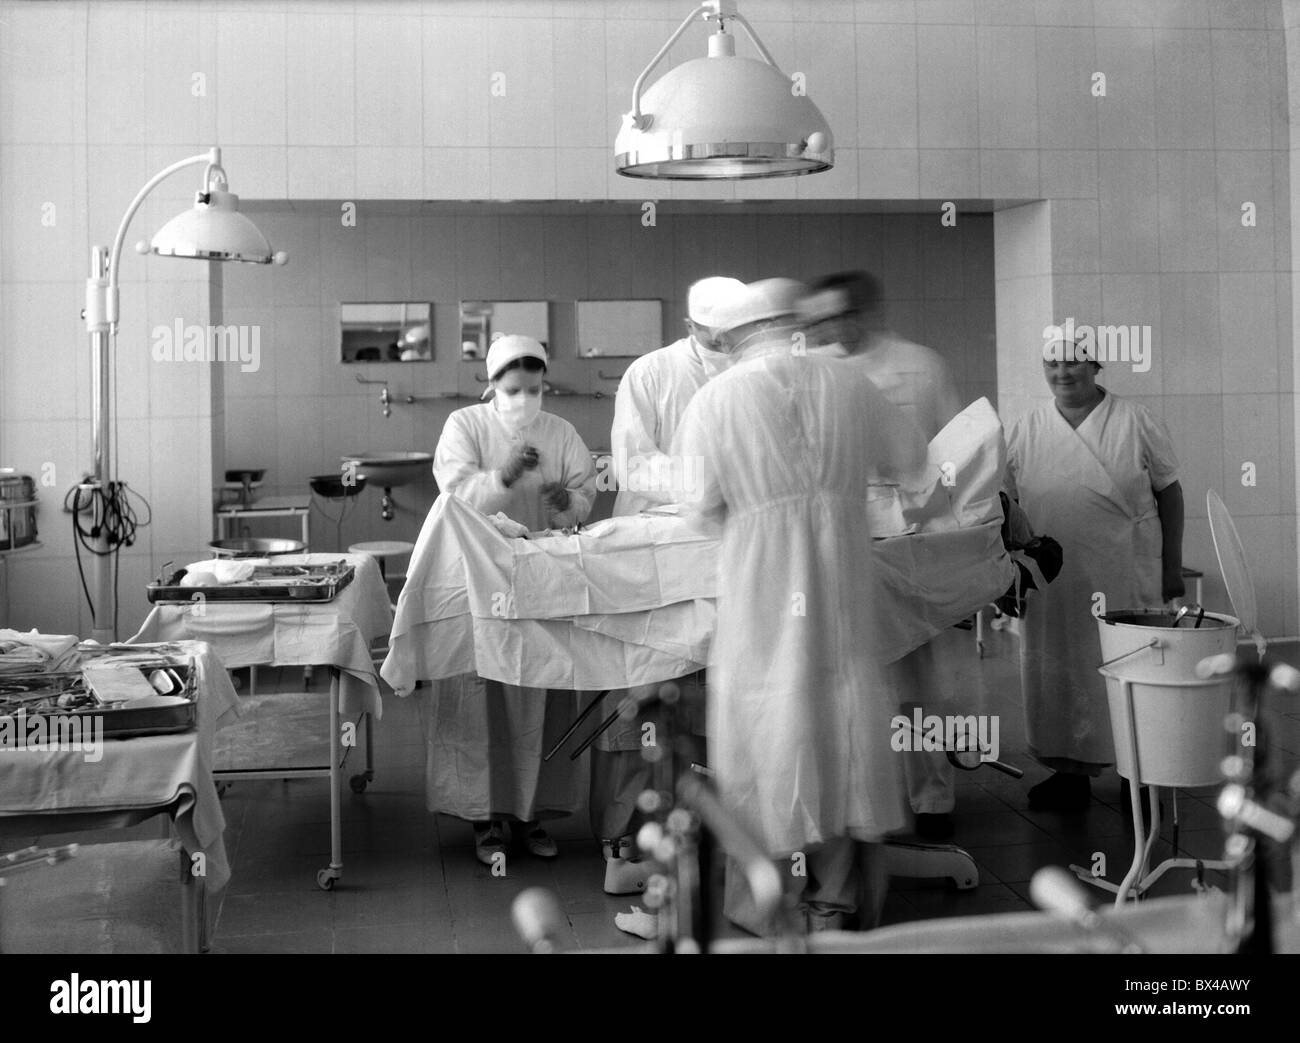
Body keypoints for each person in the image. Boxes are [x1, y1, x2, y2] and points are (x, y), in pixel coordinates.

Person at [672, 277, 927, 933]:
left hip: (763, 584)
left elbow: (697, 505)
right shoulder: (850, 383)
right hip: (840, 578)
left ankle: (763, 899)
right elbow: (911, 457)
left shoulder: (716, 398)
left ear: (736, 336)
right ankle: (836, 897)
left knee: (768, 728)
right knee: (839, 721)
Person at [799, 271, 967, 840]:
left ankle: (932, 799)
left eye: (837, 316)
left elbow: (953, 448)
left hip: (915, 539)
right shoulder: (818, 371)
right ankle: (862, 801)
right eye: (818, 320)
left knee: (922, 680)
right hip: (843, 538)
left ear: (864, 312)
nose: (828, 329)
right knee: (851, 675)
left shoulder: (920, 365)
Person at [596, 276, 743, 898]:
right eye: (715, 336)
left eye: (736, 334)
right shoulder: (651, 374)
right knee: (647, 708)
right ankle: (623, 849)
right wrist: (709, 481)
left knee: (720, 710)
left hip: (730, 562)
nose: (726, 344)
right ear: (690, 327)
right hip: (655, 564)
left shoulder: (752, 375)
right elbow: (632, 464)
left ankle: (712, 843)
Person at [426, 335, 598, 864]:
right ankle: (485, 818)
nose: (525, 398)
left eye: (535, 388)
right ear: (493, 383)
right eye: (514, 388)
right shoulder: (466, 426)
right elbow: (453, 494)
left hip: (542, 580)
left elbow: (583, 496)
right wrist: (502, 476)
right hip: (480, 578)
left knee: (540, 692)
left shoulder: (560, 432)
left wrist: (565, 501)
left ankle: (534, 815)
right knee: (483, 696)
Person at [1005, 331, 1184, 811]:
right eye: (1053, 364)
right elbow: (1009, 504)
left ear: (1096, 366)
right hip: (1056, 578)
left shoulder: (1135, 420)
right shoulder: (1027, 427)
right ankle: (1068, 775)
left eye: (1073, 363)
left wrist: (1171, 567)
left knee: (1129, 671)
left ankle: (1138, 779)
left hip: (1123, 569)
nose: (1063, 373)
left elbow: (1170, 491)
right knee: (1059, 670)